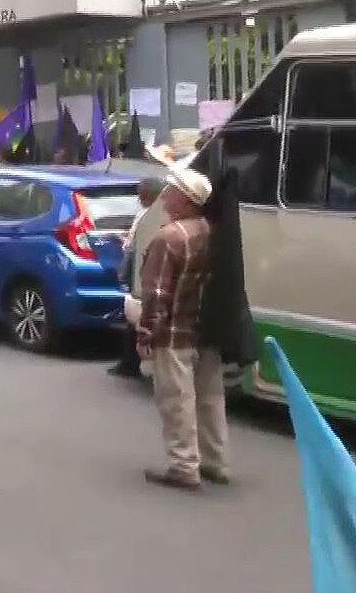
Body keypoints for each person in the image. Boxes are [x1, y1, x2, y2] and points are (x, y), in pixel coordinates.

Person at [137, 166, 226, 490]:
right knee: (210, 398)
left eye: (172, 190)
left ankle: (184, 465)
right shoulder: (210, 230)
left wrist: (147, 334)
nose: (166, 194)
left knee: (176, 400)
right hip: (205, 329)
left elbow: (157, 296)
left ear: (185, 200)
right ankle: (215, 461)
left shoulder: (169, 237)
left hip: (174, 332)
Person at [108, 176, 165, 379]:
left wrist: (127, 245)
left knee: (135, 316)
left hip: (141, 269)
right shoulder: (146, 213)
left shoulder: (153, 215)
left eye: (141, 194)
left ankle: (131, 362)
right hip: (136, 266)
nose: (139, 197)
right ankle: (130, 361)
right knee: (132, 316)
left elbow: (140, 244)